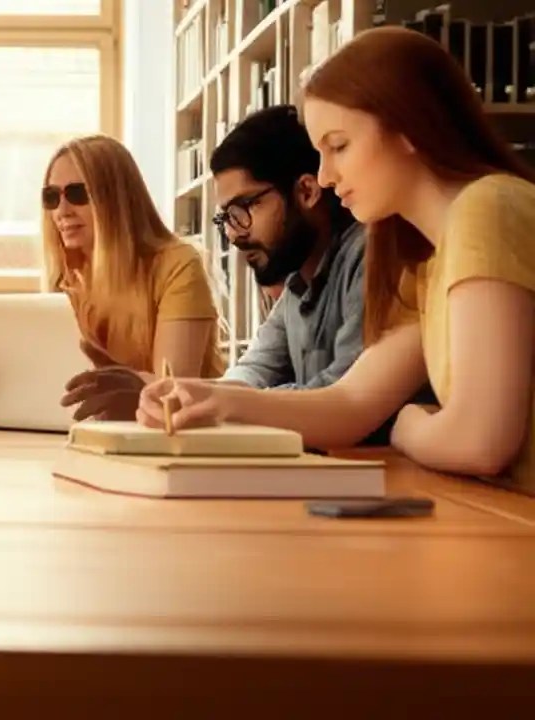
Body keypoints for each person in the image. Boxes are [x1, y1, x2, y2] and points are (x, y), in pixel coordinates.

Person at [137, 27, 535, 492]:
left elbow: (479, 441)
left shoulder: (485, 208)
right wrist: (213, 398)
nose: (324, 177)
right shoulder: (423, 260)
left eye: (339, 145)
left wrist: (409, 424)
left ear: (407, 127)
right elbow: (350, 404)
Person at [49, 135, 224, 421]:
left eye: (77, 194)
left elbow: (173, 393)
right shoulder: (67, 277)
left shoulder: (177, 265)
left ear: (116, 198)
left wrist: (121, 379)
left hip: (176, 440)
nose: (61, 211)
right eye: (52, 197)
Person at [210, 104, 365, 390]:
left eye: (244, 207)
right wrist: (180, 395)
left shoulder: (366, 257)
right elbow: (254, 370)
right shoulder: (296, 285)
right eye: (227, 217)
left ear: (306, 191)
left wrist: (221, 403)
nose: (233, 234)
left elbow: (340, 396)